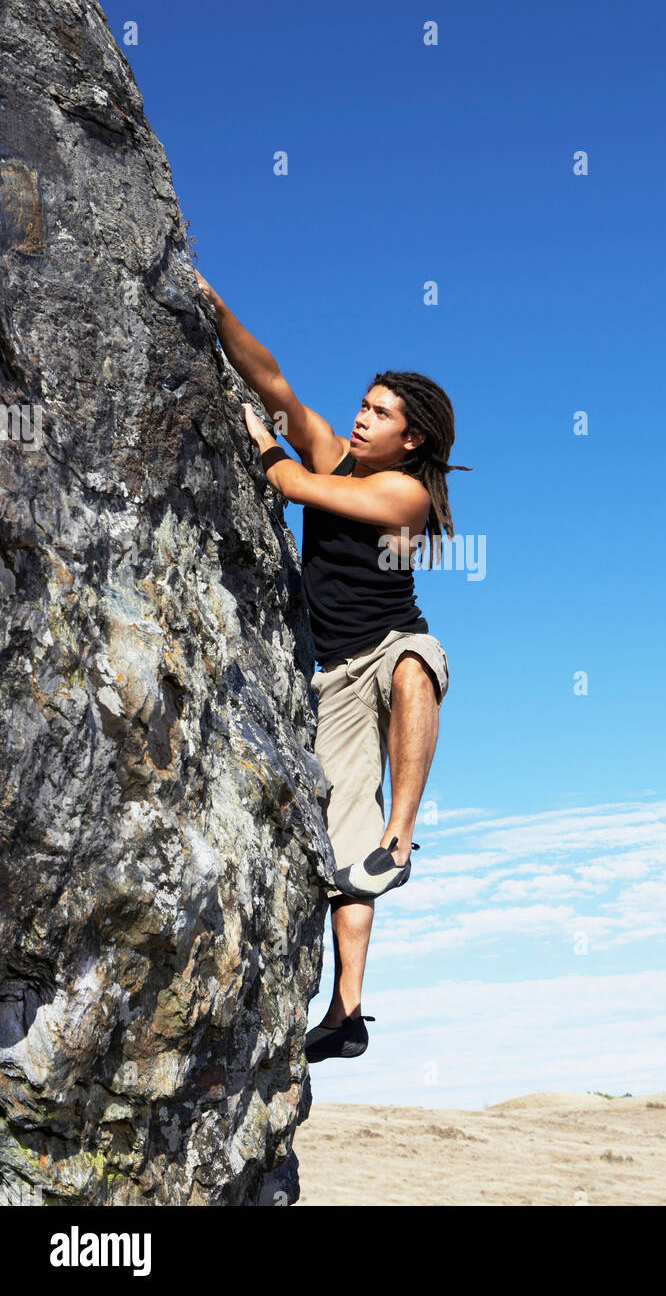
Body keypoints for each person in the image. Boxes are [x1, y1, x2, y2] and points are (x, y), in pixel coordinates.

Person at [195, 271, 469, 1062]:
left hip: (389, 648)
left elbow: (292, 484)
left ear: (411, 438)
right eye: (363, 402)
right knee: (346, 854)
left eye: (380, 412)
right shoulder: (339, 454)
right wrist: (213, 308)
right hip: (335, 677)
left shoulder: (402, 494)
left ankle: (404, 830)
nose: (361, 415)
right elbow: (270, 378)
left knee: (419, 664)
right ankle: (346, 1013)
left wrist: (269, 450)